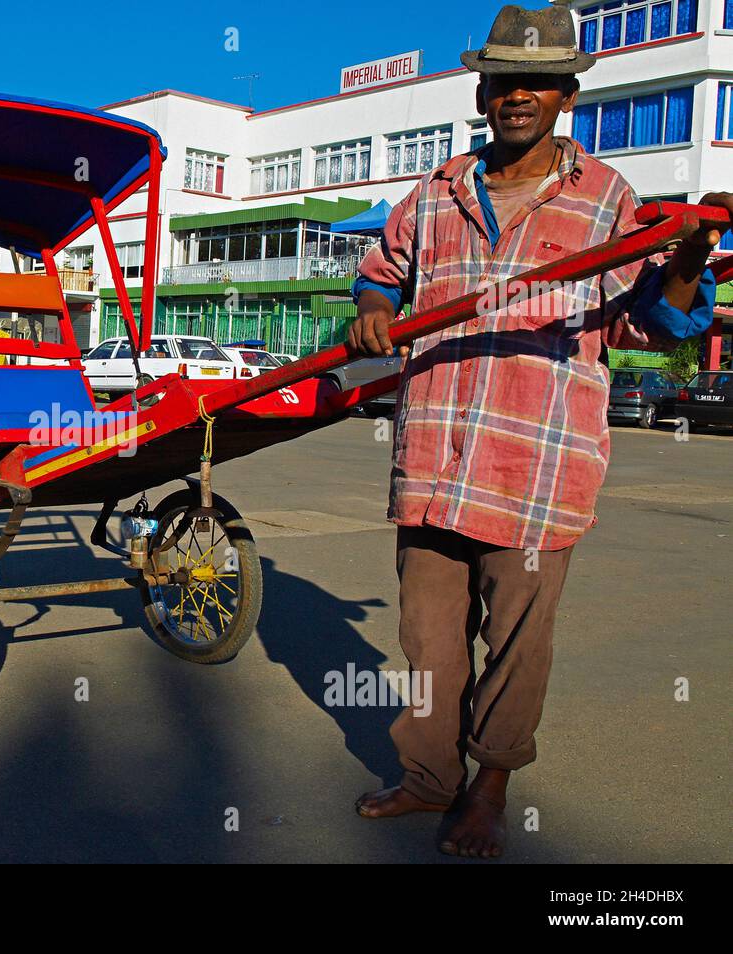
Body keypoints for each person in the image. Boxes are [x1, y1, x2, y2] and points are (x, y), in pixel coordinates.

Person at [346, 4, 731, 859]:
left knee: (516, 643)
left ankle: (490, 785)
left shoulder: (610, 201)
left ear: (564, 96)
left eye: (540, 83)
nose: (519, 95)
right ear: (482, 92)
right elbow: (382, 272)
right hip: (434, 454)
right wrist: (375, 309)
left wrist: (691, 259)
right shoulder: (438, 189)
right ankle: (429, 777)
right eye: (505, 81)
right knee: (426, 638)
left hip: (537, 462)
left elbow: (653, 326)